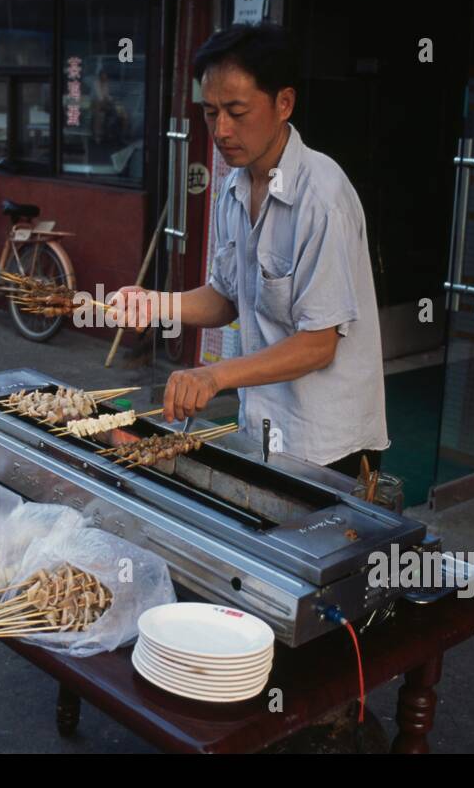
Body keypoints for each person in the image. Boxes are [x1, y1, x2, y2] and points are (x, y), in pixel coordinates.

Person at [109, 23, 388, 476]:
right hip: (260, 426)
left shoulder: (321, 197)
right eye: (210, 112)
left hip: (326, 444)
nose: (220, 130)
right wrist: (154, 304)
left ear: (284, 103)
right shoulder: (234, 188)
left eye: (237, 111)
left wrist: (214, 375)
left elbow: (319, 345)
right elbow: (226, 296)